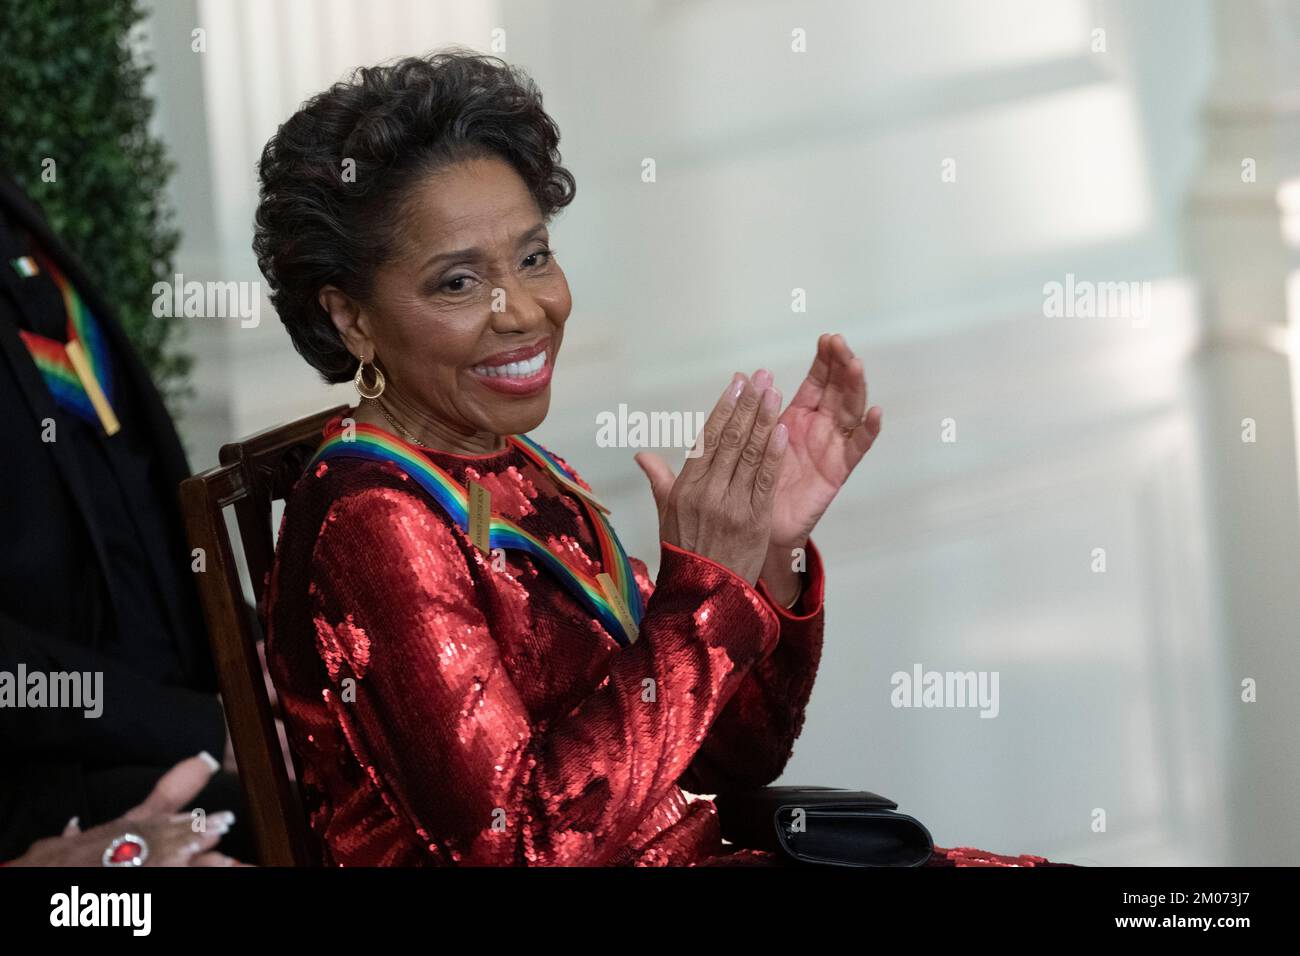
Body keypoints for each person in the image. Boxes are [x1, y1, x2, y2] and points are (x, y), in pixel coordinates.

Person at [255, 49, 1065, 867]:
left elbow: (731, 757)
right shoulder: (376, 520)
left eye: (534, 257)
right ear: (352, 318)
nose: (525, 310)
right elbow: (524, 844)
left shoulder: (517, 466)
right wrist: (704, 587)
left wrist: (763, 558)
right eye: (459, 283)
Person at [0, 171, 255, 864]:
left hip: (178, 708)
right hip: (53, 782)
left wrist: (249, 662)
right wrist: (200, 726)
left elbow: (130, 497)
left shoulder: (13, 202)